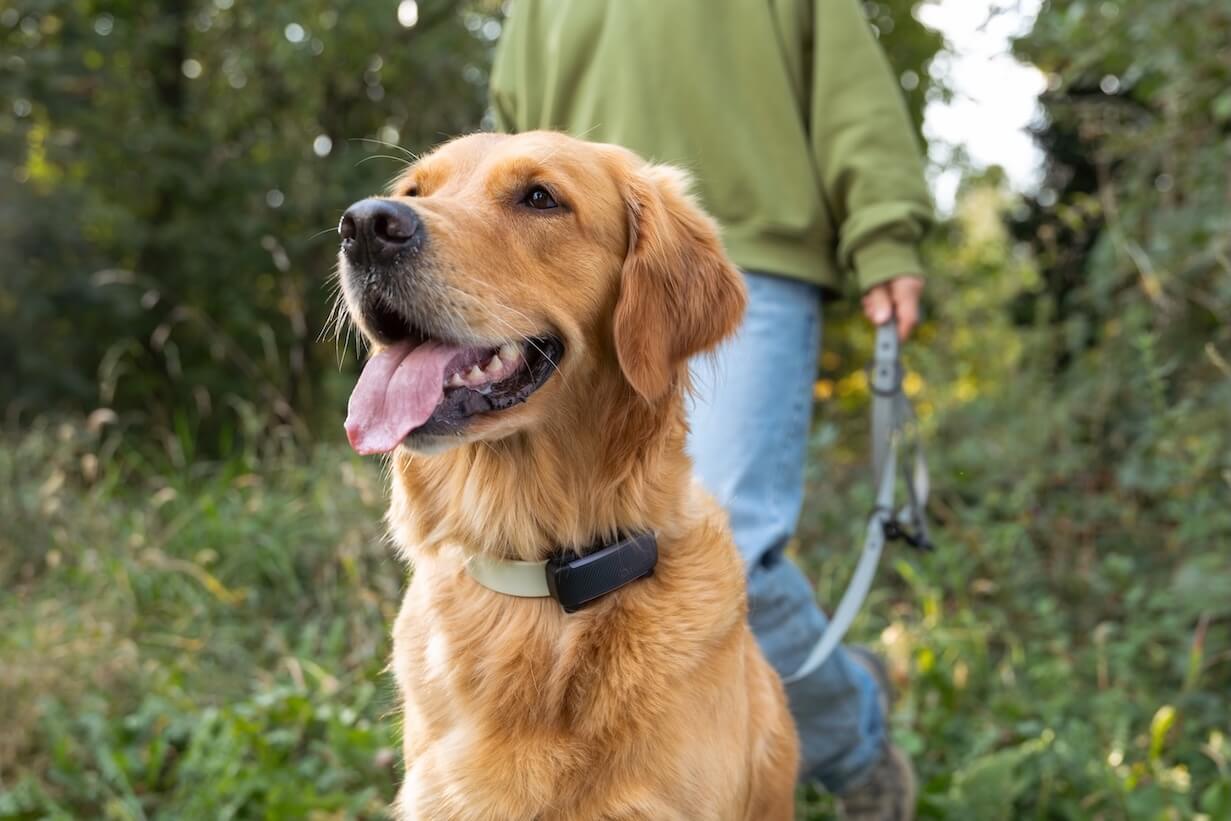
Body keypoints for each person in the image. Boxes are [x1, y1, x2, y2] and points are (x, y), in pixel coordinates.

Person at [490, 2, 932, 817]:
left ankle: (854, 738)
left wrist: (884, 233)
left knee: (730, 547)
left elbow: (850, 90)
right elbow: (510, 138)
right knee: (565, 567)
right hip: (583, 282)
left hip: (747, 258)